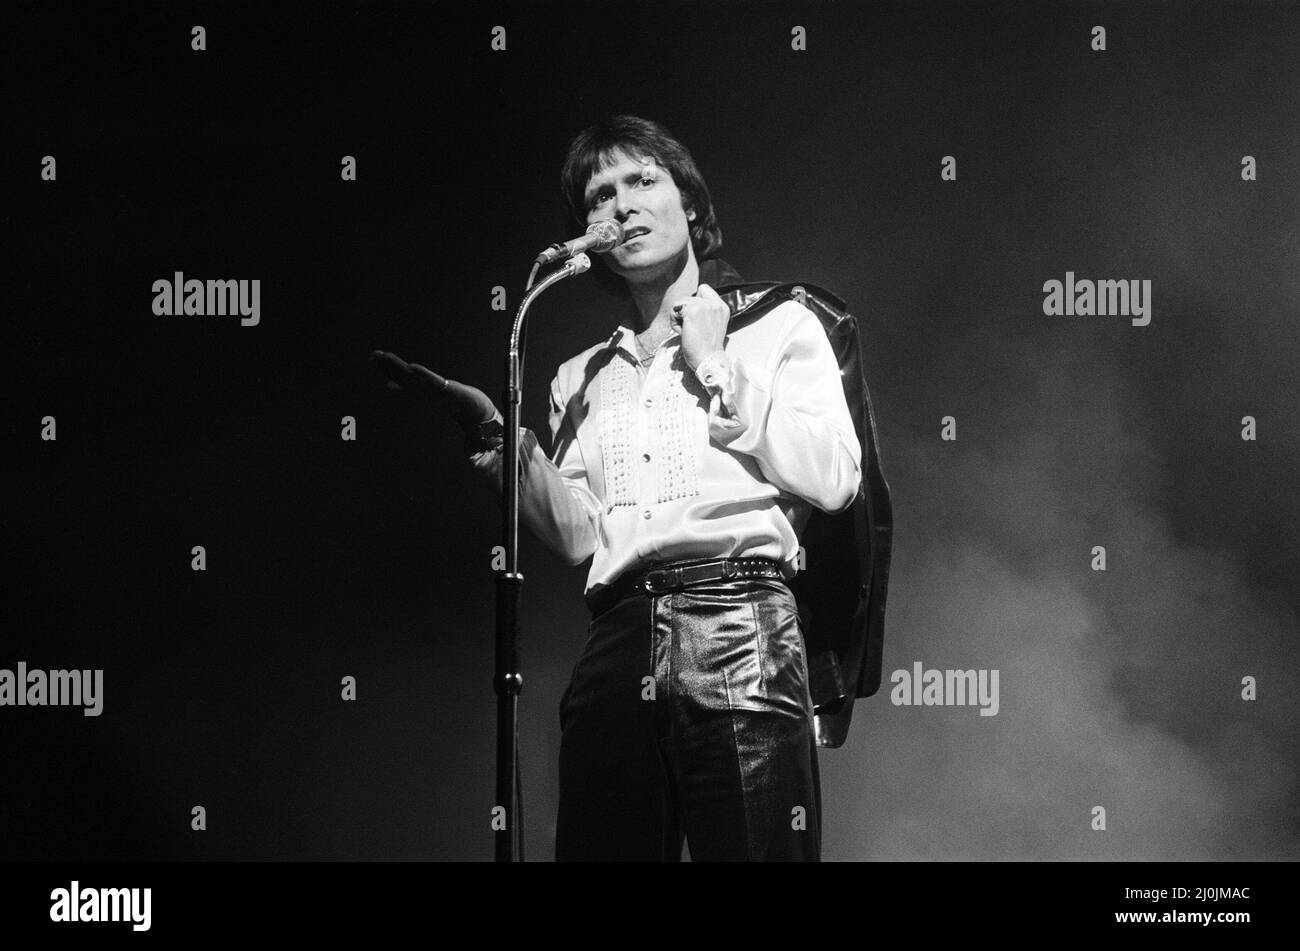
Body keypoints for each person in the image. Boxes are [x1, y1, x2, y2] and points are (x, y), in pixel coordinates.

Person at [371, 115, 862, 861]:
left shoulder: (778, 323)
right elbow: (577, 534)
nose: (623, 206)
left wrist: (714, 364)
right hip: (618, 637)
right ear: (587, 237)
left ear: (690, 203)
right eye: (601, 196)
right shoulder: (580, 376)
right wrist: (498, 440)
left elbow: (836, 477)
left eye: (642, 181)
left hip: (737, 621)